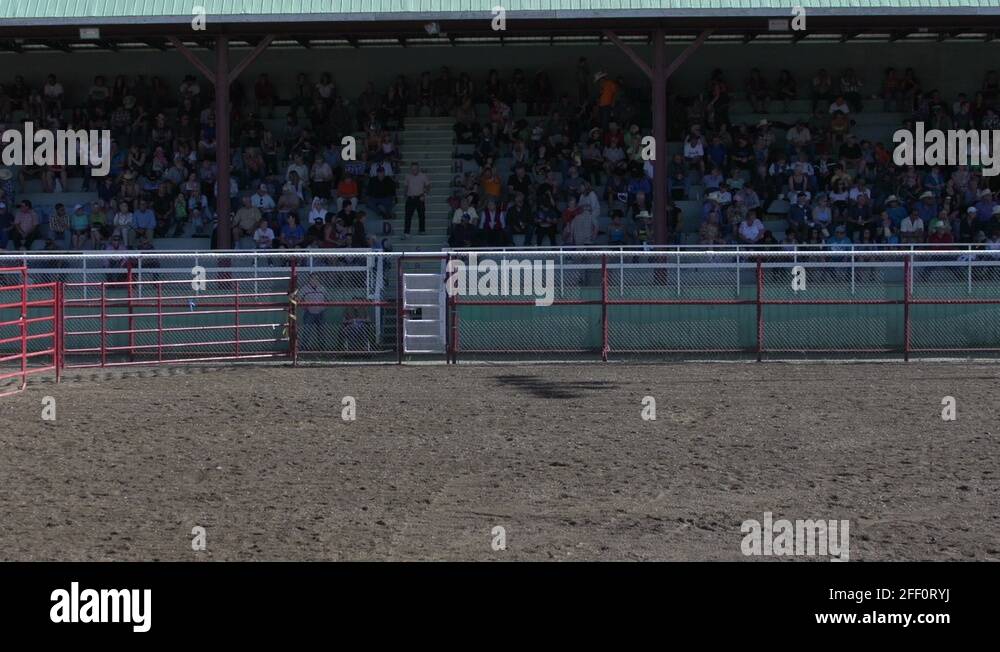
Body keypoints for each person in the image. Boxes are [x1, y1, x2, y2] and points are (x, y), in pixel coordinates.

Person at [403, 162, 430, 238]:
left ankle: (422, 230)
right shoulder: (407, 176)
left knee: (421, 215)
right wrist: (405, 194)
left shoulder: (423, 176)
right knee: (408, 216)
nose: (414, 170)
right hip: (410, 198)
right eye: (412, 169)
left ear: (418, 169)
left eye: (415, 169)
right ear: (410, 169)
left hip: (420, 197)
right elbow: (406, 186)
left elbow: (428, 186)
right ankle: (406, 232)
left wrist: (424, 195)